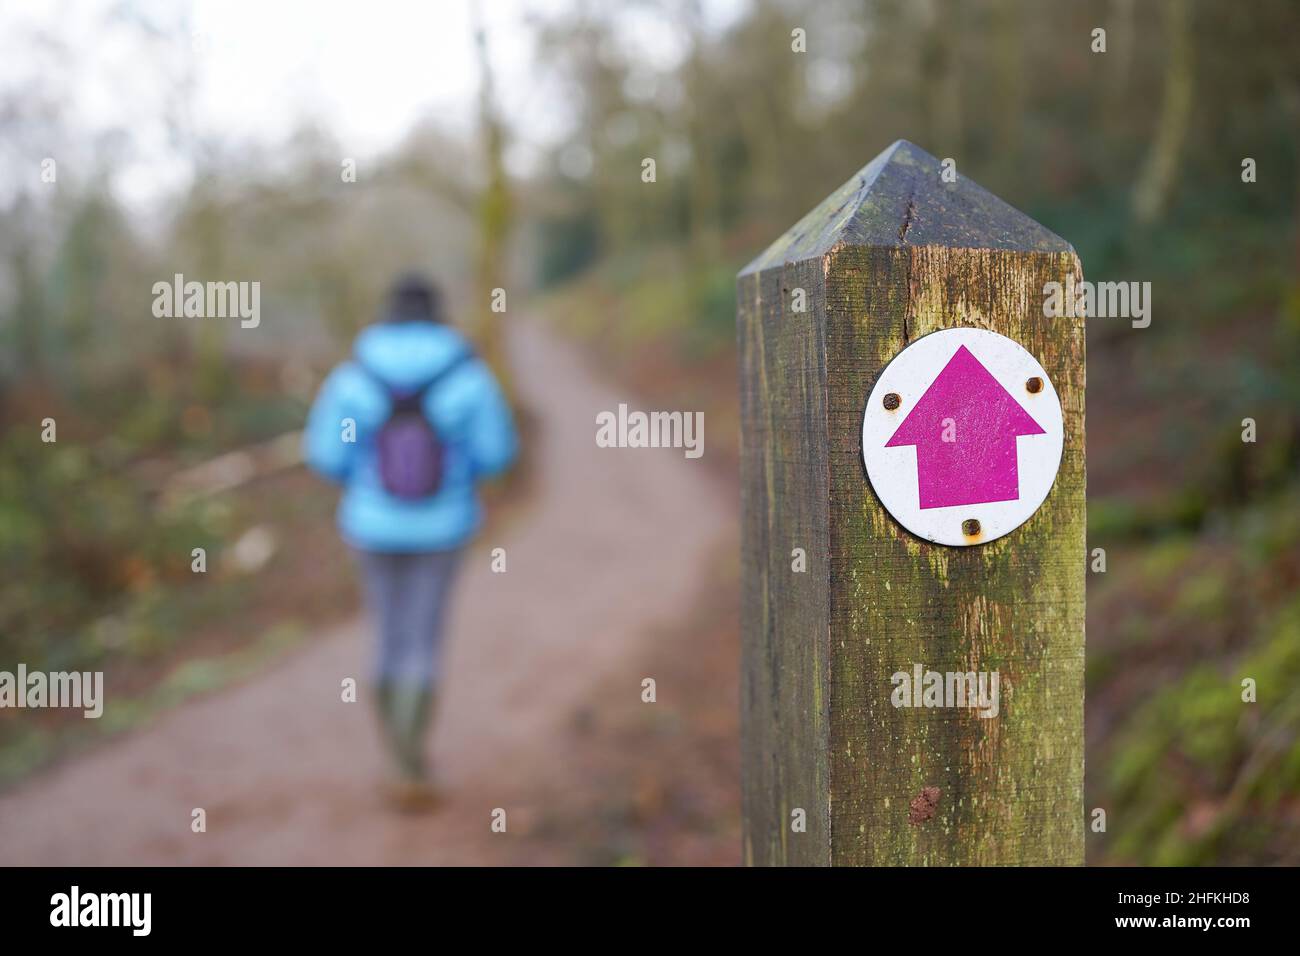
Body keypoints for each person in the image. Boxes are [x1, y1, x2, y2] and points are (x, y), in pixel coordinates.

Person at [303, 273, 517, 809]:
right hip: (443, 528)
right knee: (423, 640)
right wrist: (457, 463)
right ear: (438, 312)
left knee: (387, 636)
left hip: (370, 527)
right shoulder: (469, 375)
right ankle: (411, 763)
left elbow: (325, 457)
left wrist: (366, 471)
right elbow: (497, 455)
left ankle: (393, 758)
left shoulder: (352, 376)